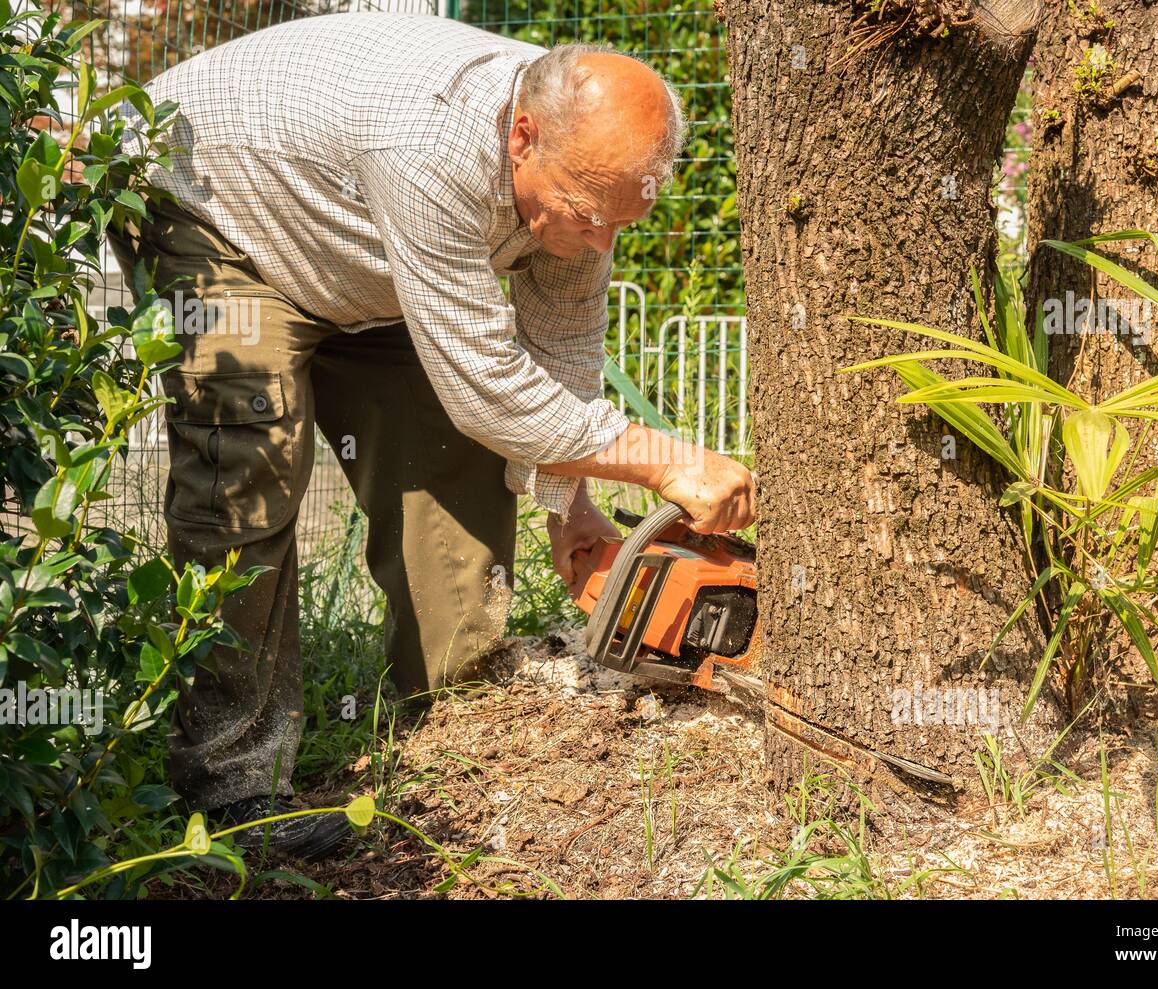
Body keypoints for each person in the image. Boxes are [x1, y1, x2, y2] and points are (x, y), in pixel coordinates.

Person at [108, 11, 755, 860]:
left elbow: (556, 352)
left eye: (620, 221)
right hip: (215, 211)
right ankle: (232, 795)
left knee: (446, 451)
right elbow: (490, 388)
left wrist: (574, 507)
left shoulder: (579, 166)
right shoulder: (430, 146)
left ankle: (455, 716)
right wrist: (667, 460)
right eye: (586, 214)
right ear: (521, 137)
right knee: (249, 459)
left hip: (360, 245)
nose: (600, 242)